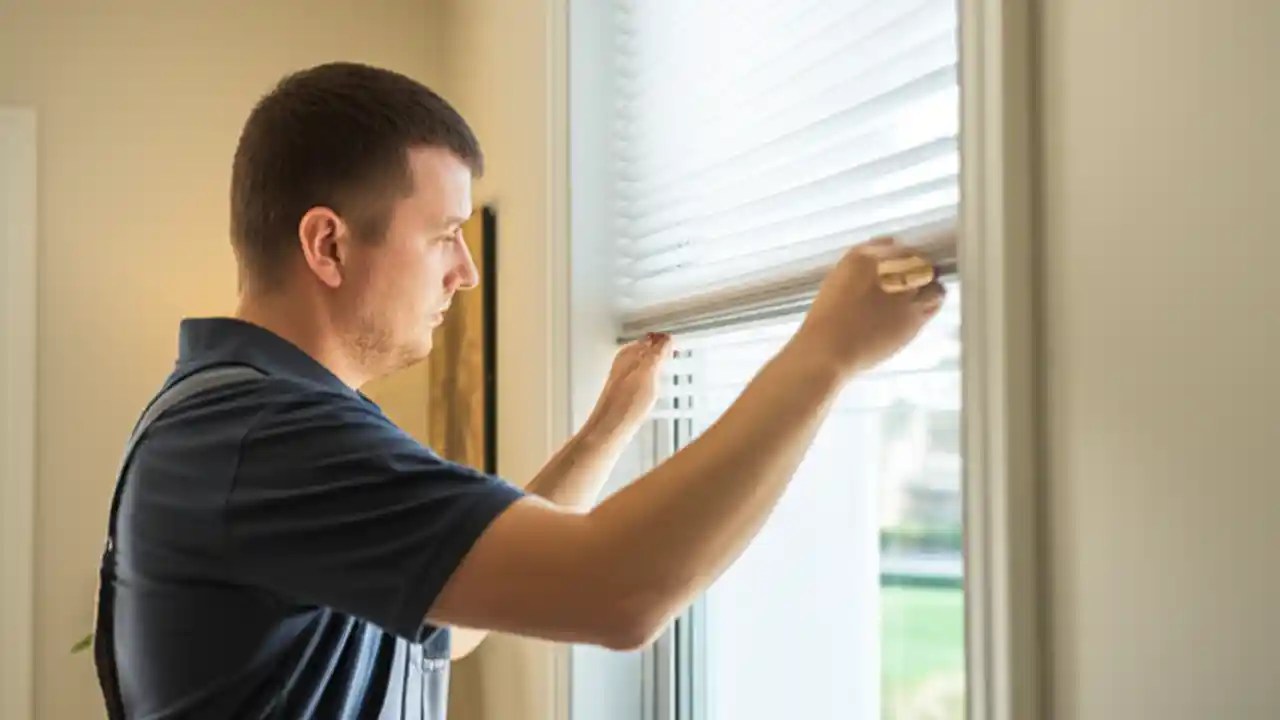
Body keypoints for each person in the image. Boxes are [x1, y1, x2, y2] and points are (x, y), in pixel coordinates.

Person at [95, 62, 946, 719]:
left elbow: (446, 630)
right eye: (444, 236)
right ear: (328, 245)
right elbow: (621, 593)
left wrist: (605, 433)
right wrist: (825, 355)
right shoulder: (262, 436)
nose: (466, 274)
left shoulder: (244, 420)